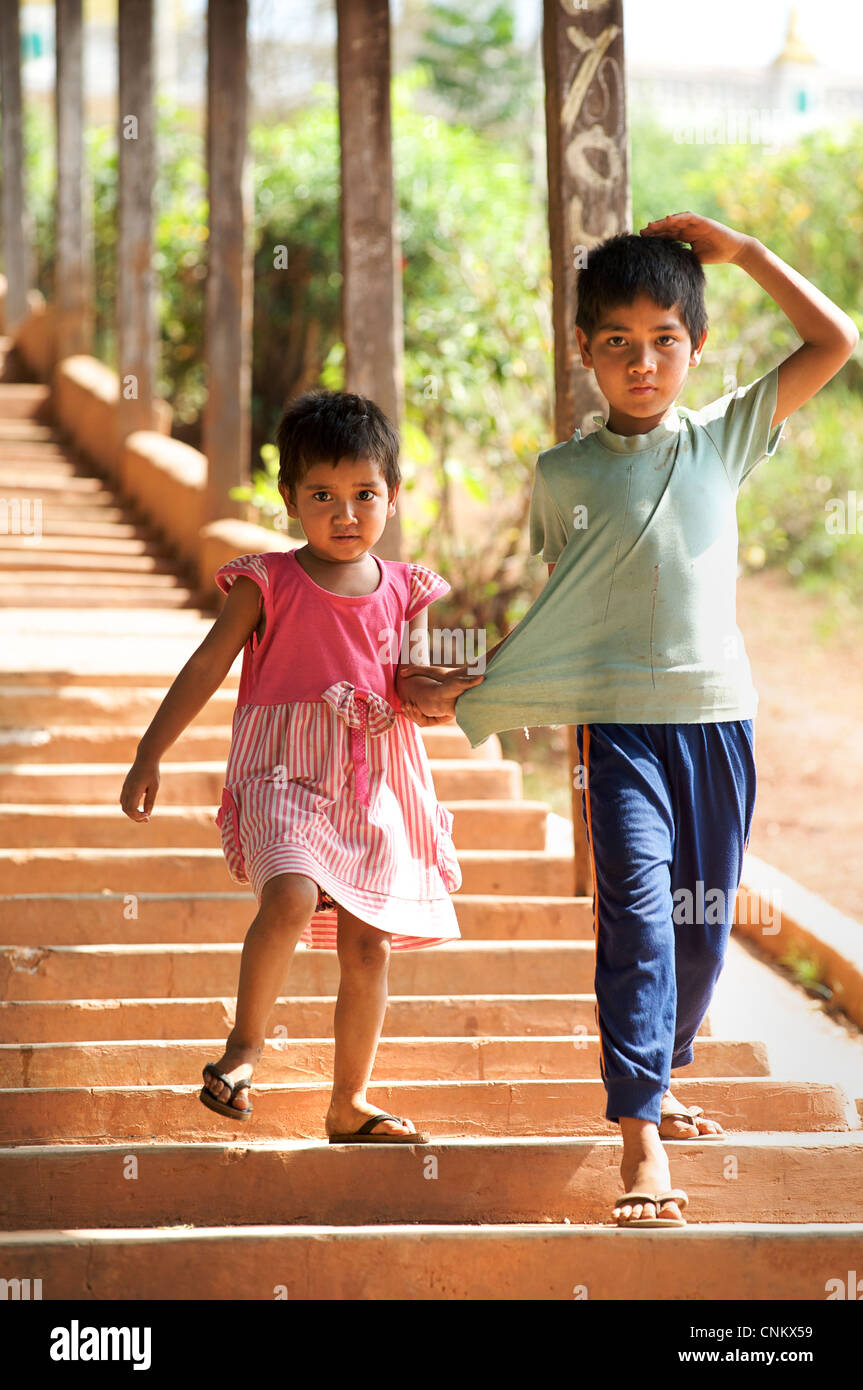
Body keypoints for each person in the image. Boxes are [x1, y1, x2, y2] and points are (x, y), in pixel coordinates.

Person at [400, 213, 859, 1222]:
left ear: (694, 346)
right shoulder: (562, 476)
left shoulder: (726, 437)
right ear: (584, 353)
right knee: (640, 923)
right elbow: (569, 612)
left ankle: (663, 1064)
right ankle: (638, 1138)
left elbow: (836, 341)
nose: (641, 362)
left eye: (663, 340)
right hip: (615, 734)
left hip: (716, 726)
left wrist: (741, 253)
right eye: (616, 342)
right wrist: (474, 683)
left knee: (700, 932)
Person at [120, 390, 482, 1143]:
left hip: (373, 778)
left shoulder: (406, 589)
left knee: (367, 942)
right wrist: (150, 751)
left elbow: (407, 680)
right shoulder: (267, 581)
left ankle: (347, 1102)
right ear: (289, 498)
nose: (344, 513)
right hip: (282, 773)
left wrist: (445, 694)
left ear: (390, 496)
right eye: (322, 495)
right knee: (288, 893)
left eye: (363, 495)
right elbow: (206, 665)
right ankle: (242, 1050)